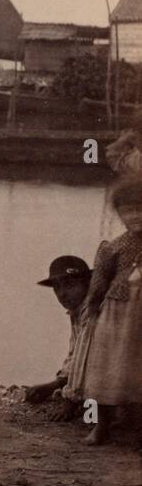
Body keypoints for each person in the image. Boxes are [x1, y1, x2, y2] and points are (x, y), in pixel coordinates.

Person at [80, 175, 142, 445]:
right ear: (119, 214)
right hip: (117, 314)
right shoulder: (113, 247)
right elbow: (99, 282)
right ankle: (101, 426)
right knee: (106, 367)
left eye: (141, 208)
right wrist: (92, 309)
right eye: (128, 211)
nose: (135, 216)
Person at [24, 255, 93, 419]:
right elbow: (75, 356)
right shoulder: (77, 311)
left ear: (87, 283)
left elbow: (84, 361)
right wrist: (52, 386)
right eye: (57, 288)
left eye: (69, 285)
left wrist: (69, 402)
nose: (62, 294)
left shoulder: (93, 311)